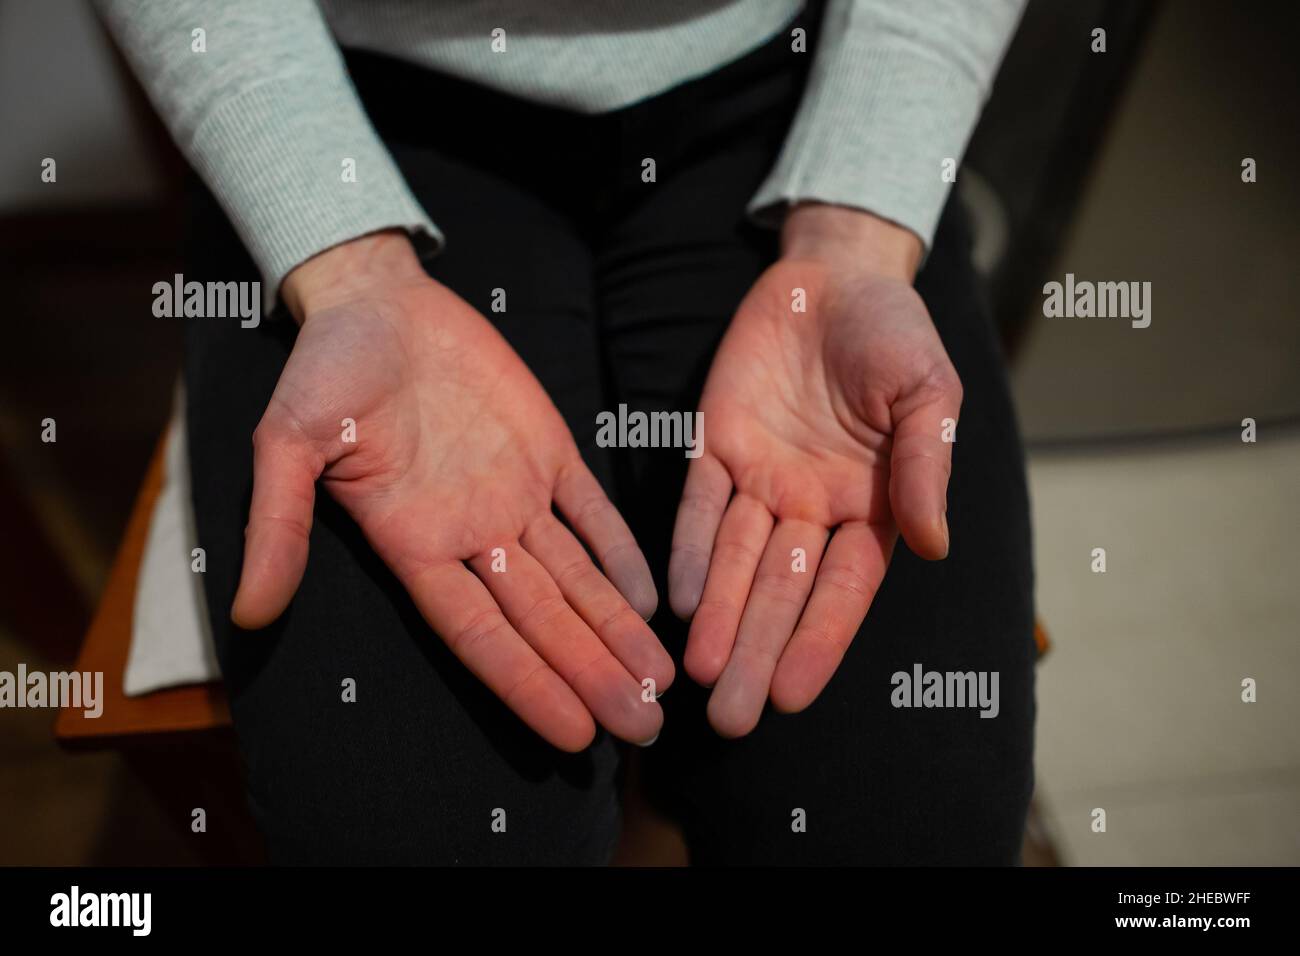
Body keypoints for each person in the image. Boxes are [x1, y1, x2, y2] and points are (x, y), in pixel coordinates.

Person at [97, 0, 1036, 864]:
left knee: (906, 828)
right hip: (341, 107)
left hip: (803, 93)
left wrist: (856, 230)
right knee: (420, 835)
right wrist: (347, 270)